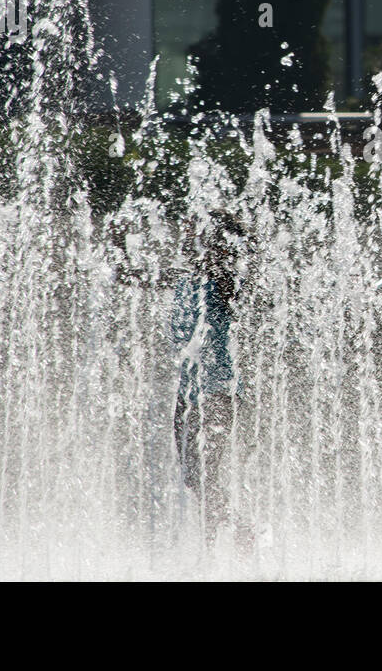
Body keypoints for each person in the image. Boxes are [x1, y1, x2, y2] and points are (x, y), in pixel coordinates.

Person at [172, 211, 246, 545]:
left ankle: (222, 540)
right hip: (186, 394)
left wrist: (225, 257)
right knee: (193, 477)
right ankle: (236, 530)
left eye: (195, 233)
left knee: (207, 471)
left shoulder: (225, 281)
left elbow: (239, 292)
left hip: (217, 393)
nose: (187, 239)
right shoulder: (186, 281)